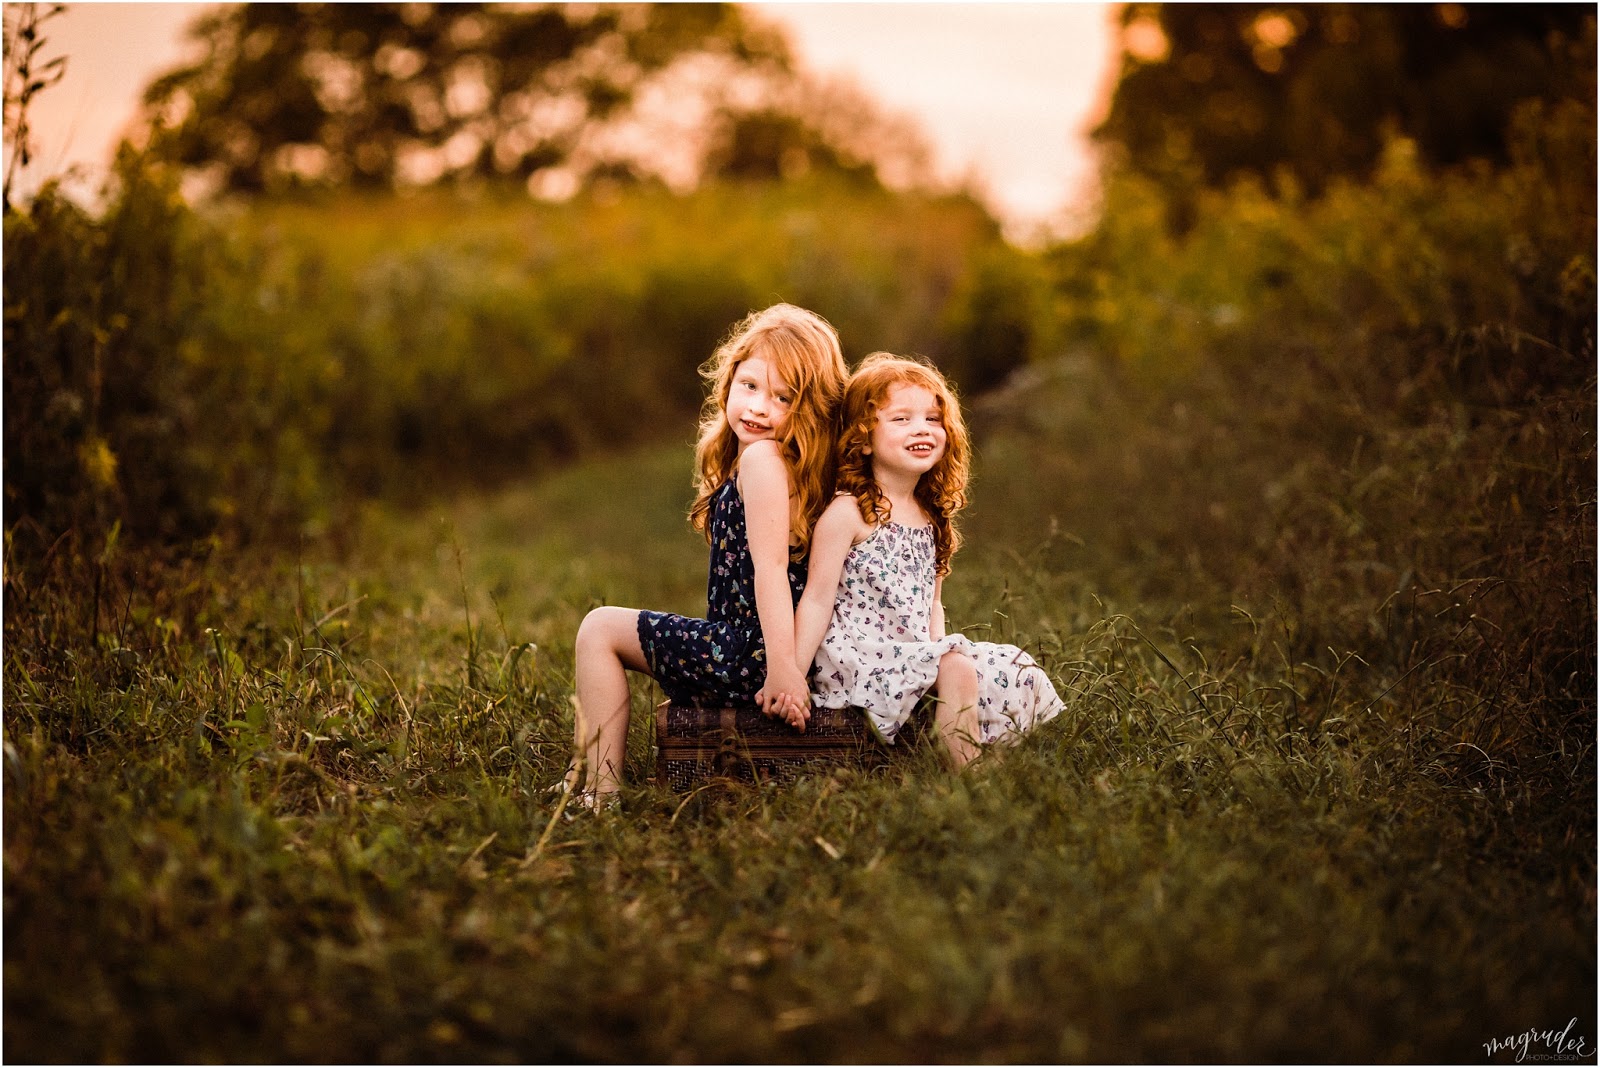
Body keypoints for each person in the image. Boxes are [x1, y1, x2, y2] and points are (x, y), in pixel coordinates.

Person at [565, 304, 848, 805]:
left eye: (783, 398)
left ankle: (602, 793)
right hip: (757, 651)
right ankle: (581, 775)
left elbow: (772, 572)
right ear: (731, 378)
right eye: (751, 386)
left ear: (809, 409)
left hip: (748, 656)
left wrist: (783, 668)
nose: (759, 407)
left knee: (599, 629)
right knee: (607, 628)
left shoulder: (763, 460)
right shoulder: (793, 464)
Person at [790, 352, 1063, 768]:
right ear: (863, 439)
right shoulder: (849, 512)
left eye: (933, 419)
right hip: (860, 658)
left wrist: (939, 650)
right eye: (901, 419)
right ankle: (967, 778)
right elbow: (816, 599)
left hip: (912, 651)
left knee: (1015, 666)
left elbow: (931, 603)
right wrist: (793, 673)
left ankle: (995, 763)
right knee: (956, 665)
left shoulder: (931, 515)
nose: (922, 428)